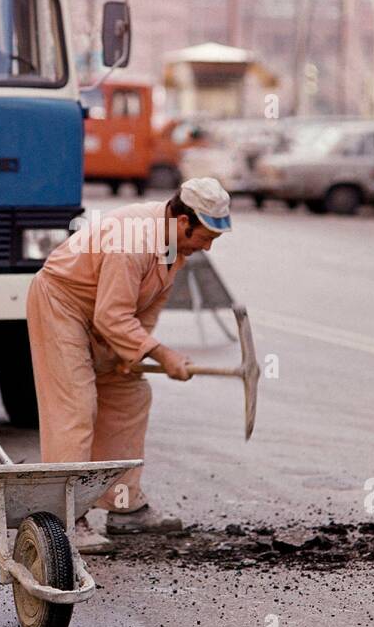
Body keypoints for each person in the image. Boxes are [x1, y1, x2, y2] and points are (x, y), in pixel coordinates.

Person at [26, 178, 231, 553]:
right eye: (206, 236)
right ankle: (66, 518)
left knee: (130, 394)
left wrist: (130, 356)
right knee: (75, 405)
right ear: (184, 221)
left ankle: (124, 505)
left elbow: (144, 309)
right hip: (63, 303)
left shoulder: (175, 248)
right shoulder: (133, 240)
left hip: (104, 312)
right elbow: (113, 316)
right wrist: (162, 354)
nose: (208, 246)